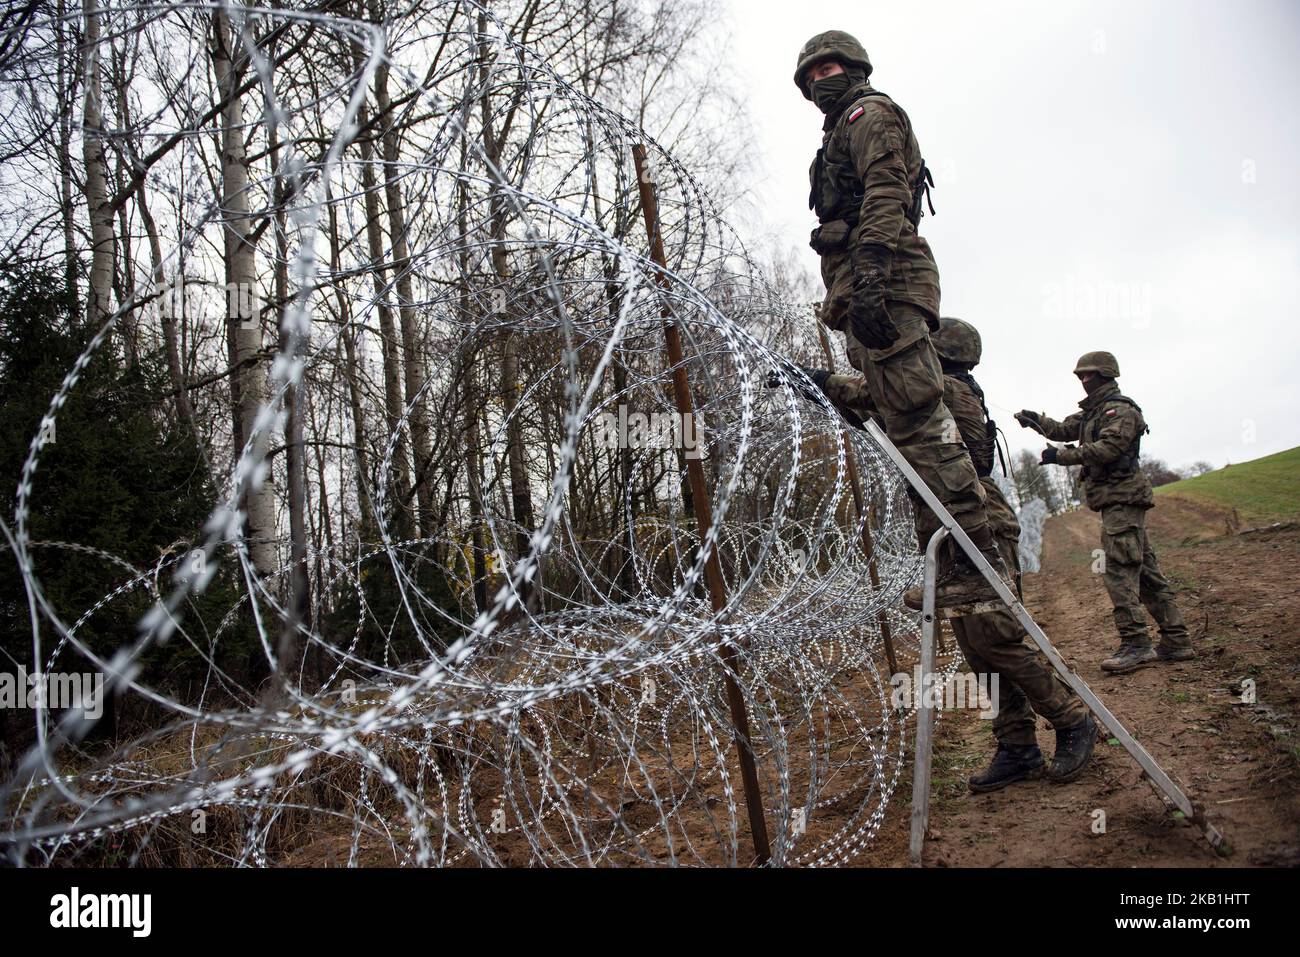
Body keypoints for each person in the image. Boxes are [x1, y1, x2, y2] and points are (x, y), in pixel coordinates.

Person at [785, 319, 1096, 789]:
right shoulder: (937, 390)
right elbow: (871, 411)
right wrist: (818, 387)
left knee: (997, 636)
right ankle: (1016, 746)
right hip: (947, 523)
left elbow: (870, 397)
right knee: (976, 646)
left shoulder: (941, 387)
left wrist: (816, 379)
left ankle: (1072, 719)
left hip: (977, 522)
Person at [793, 30, 1009, 610]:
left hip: (883, 282)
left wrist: (870, 271)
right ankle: (954, 562)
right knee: (902, 424)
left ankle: (979, 564)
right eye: (809, 76)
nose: (819, 81)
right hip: (866, 289)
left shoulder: (869, 113)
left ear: (854, 67)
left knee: (919, 422)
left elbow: (886, 191)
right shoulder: (839, 130)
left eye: (828, 68)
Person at [1016, 352, 1194, 673]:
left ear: (1107, 374)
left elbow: (1110, 449)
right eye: (1080, 376)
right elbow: (1062, 428)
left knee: (1117, 569)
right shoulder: (1092, 414)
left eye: (1090, 375)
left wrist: (1062, 457)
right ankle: (1176, 640)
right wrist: (1036, 421)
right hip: (1115, 501)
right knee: (1145, 572)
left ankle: (1137, 644)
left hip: (1123, 499)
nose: (1084, 381)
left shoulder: (1121, 411)